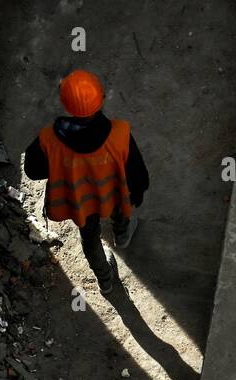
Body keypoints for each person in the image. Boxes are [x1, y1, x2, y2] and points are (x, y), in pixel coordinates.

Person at [23, 69, 150, 294]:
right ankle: (122, 236)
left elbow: (32, 170)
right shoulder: (120, 133)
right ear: (101, 99)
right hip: (113, 194)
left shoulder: (48, 139)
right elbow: (136, 173)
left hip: (81, 203)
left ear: (65, 105)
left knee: (90, 238)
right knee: (121, 210)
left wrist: (60, 165)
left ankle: (105, 281)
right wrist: (138, 192)